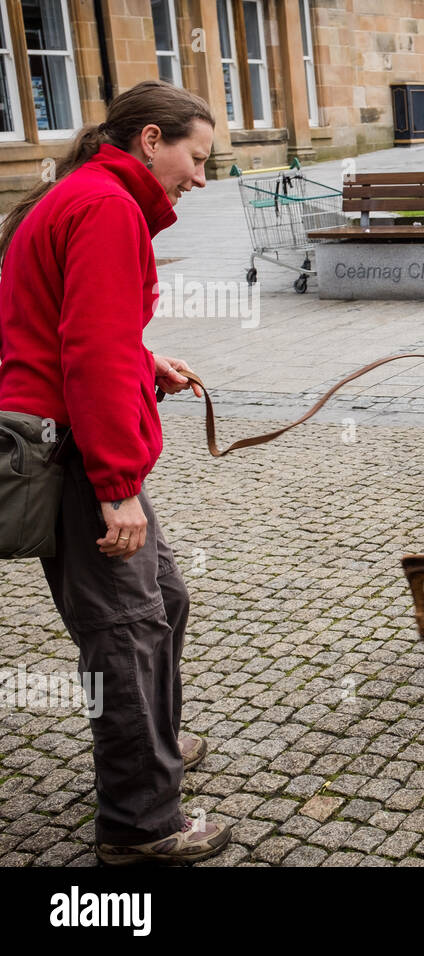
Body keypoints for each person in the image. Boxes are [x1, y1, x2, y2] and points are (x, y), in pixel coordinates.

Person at [0, 80, 230, 863]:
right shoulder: (104, 208)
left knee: (164, 597)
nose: (200, 178)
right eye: (195, 158)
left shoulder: (85, 194)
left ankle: (153, 746)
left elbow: (80, 326)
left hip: (74, 445)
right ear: (150, 141)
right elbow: (87, 356)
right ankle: (139, 823)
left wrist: (144, 358)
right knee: (127, 634)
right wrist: (117, 489)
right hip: (73, 458)